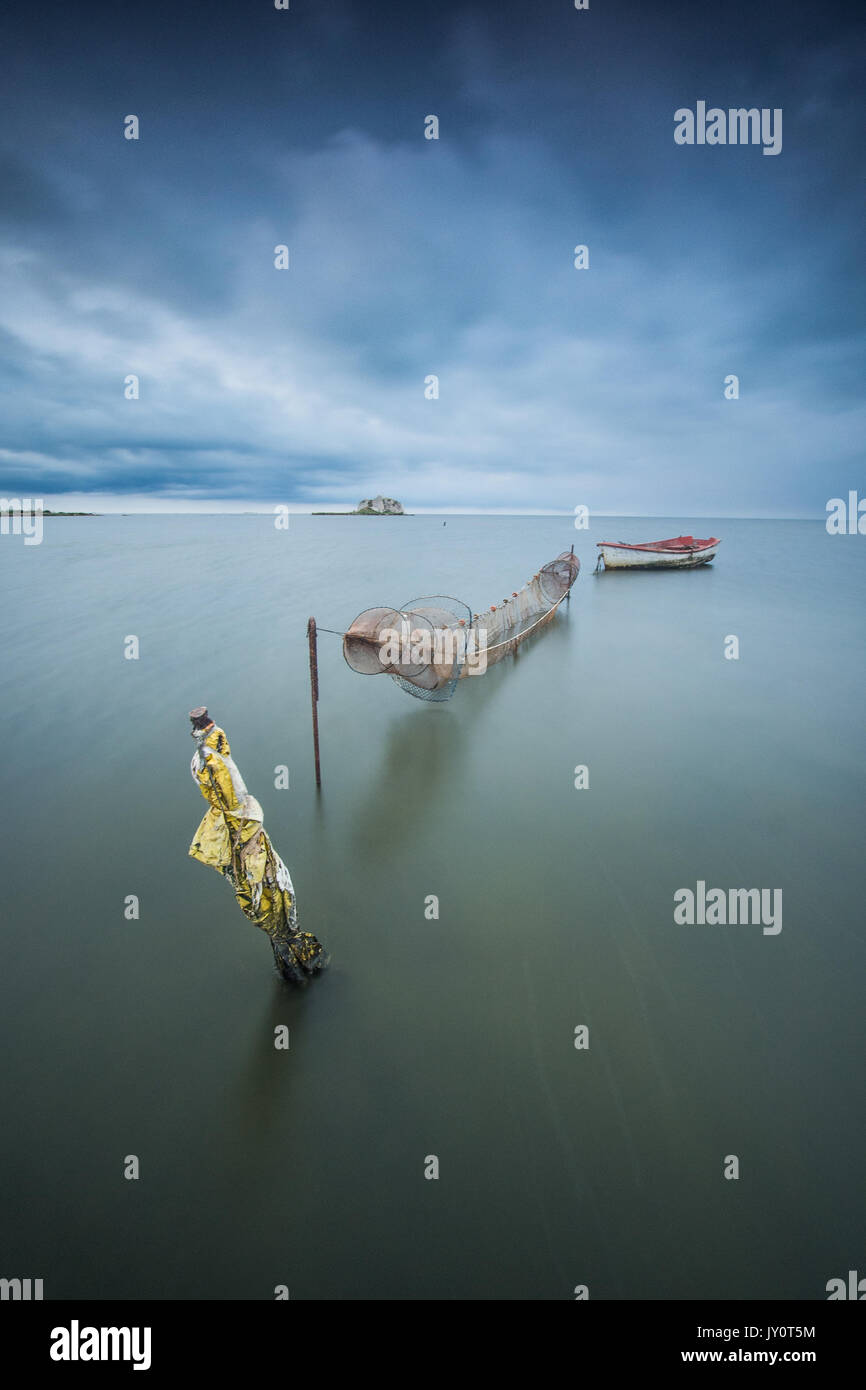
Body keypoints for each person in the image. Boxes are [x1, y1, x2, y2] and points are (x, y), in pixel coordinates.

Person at [187, 707, 329, 984]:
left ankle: (293, 964)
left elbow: (223, 781)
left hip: (245, 834)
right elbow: (224, 790)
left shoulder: (211, 762)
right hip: (246, 839)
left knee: (272, 903)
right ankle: (299, 963)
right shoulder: (212, 766)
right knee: (270, 902)